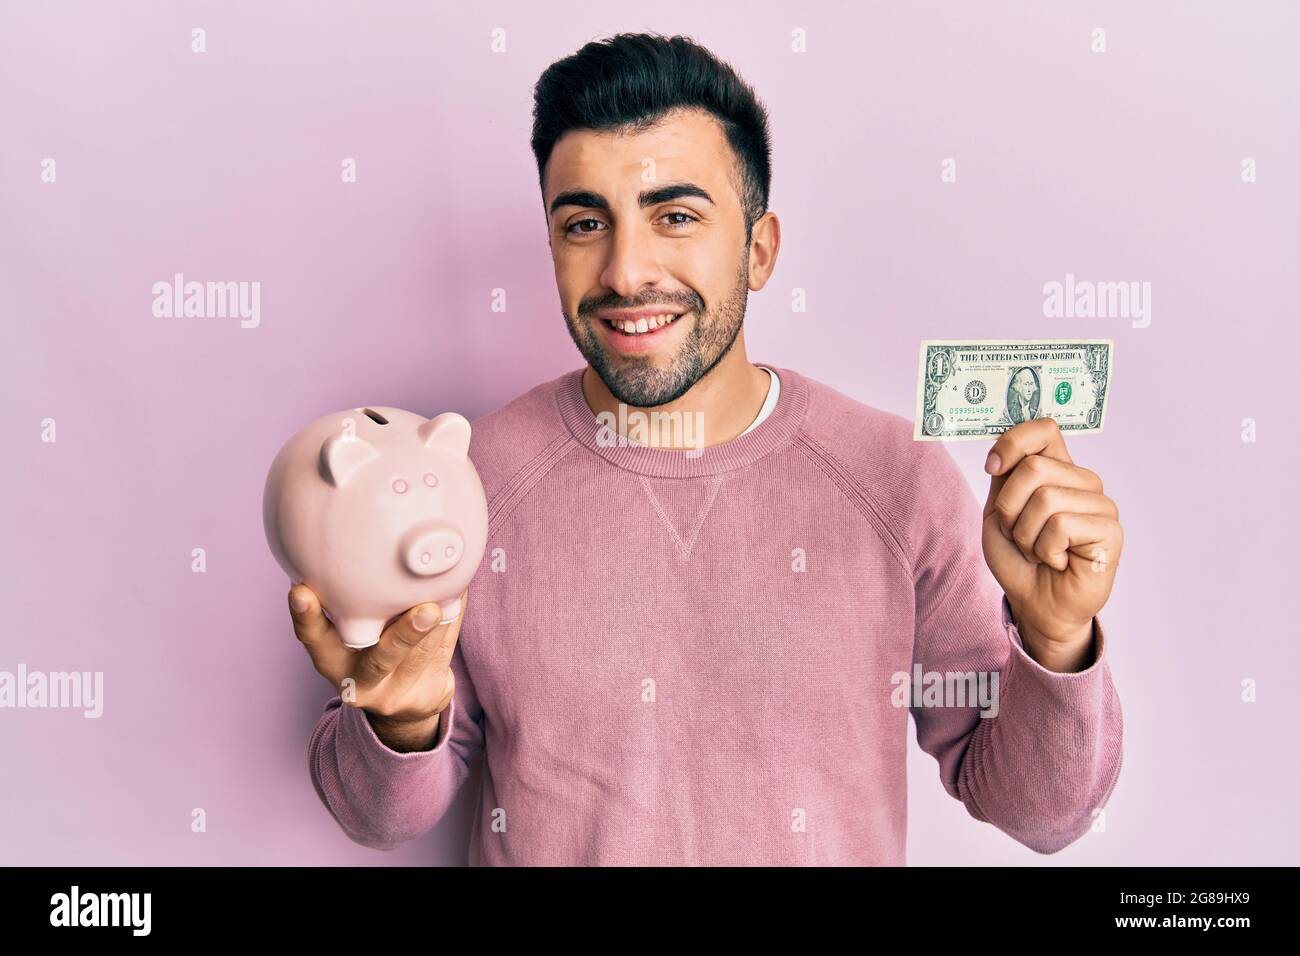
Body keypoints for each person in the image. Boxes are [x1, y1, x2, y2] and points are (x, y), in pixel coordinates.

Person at [289, 32, 1124, 865]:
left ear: (758, 251)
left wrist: (1056, 641)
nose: (624, 271)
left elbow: (1039, 815)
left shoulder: (897, 480)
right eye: (584, 223)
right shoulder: (468, 487)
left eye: (676, 217)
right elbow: (380, 818)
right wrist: (396, 722)